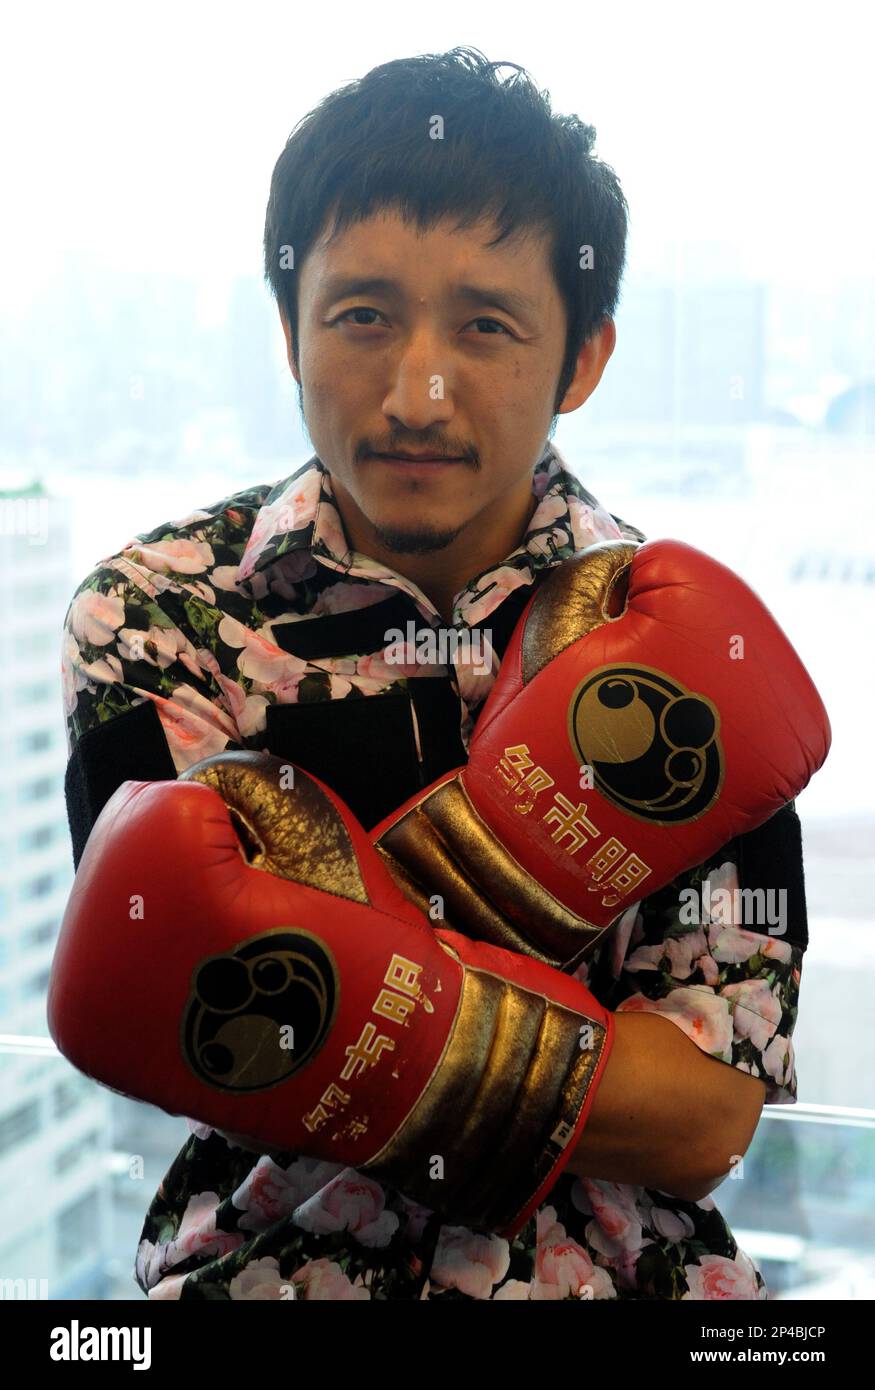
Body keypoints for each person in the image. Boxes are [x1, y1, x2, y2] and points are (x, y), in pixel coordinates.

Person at [60, 47, 810, 1301]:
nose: (417, 389)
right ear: (288, 332)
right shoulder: (156, 613)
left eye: (485, 325)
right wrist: (562, 1033)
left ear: (581, 357)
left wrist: (360, 976)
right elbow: (183, 1020)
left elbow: (701, 1119)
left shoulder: (691, 645)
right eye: (360, 315)